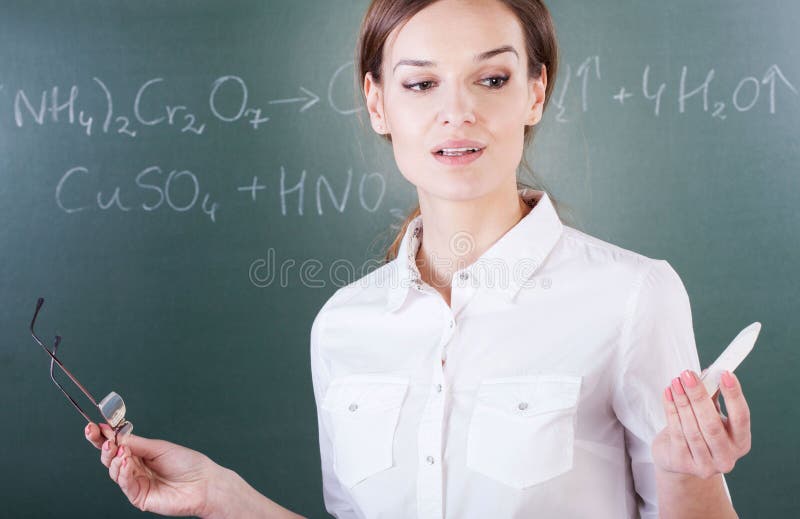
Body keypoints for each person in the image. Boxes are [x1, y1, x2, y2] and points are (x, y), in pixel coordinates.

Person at [84, 0, 752, 517]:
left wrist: (690, 476)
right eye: (421, 84)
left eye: (491, 78)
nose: (457, 112)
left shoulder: (633, 297)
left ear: (535, 92)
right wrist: (224, 496)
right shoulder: (342, 327)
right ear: (378, 102)